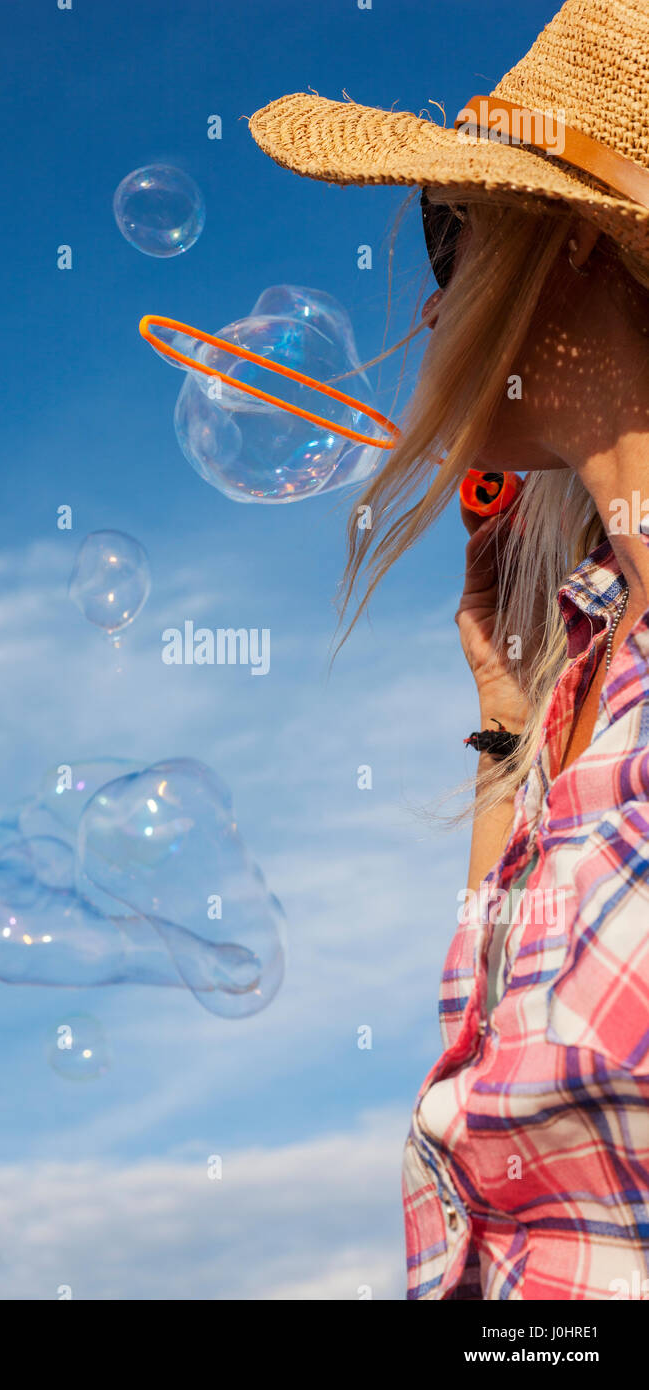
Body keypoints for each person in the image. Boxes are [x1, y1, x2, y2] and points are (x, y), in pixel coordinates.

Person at [250, 0, 649, 1299]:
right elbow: (469, 1094)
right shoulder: (590, 662)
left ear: (575, 242)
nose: (431, 309)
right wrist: (502, 721)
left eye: (451, 231)